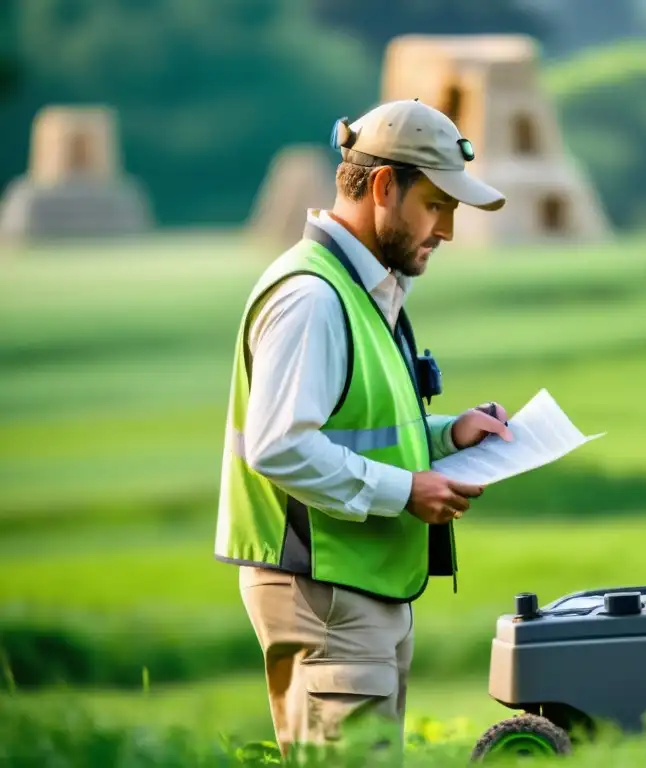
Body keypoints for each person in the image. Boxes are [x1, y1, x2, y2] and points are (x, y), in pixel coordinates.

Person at [213, 99, 514, 758]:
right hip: (325, 589)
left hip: (357, 583)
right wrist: (407, 490)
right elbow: (280, 446)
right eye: (437, 205)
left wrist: (447, 435)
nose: (448, 230)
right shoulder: (313, 297)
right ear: (383, 188)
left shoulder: (358, 287)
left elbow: (356, 425)